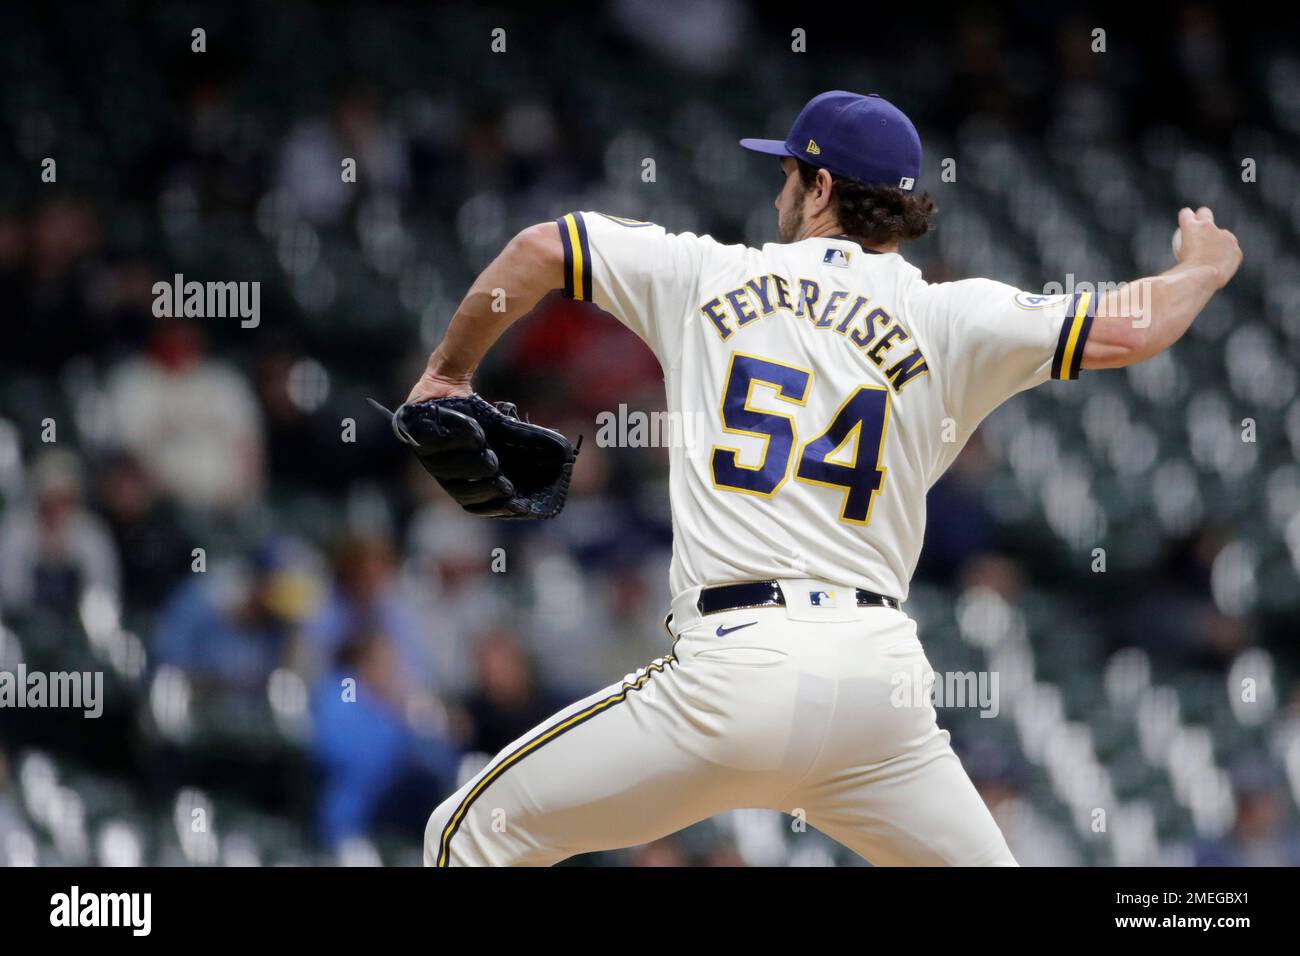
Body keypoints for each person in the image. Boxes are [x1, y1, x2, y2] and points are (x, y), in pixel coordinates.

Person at [410, 90, 1243, 866]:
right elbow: (1134, 330)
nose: (781, 191)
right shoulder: (953, 314)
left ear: (818, 186)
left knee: (468, 831)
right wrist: (1201, 268)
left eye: (787, 173)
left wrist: (447, 376)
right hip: (880, 693)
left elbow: (540, 248)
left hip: (735, 671)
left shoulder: (707, 272)